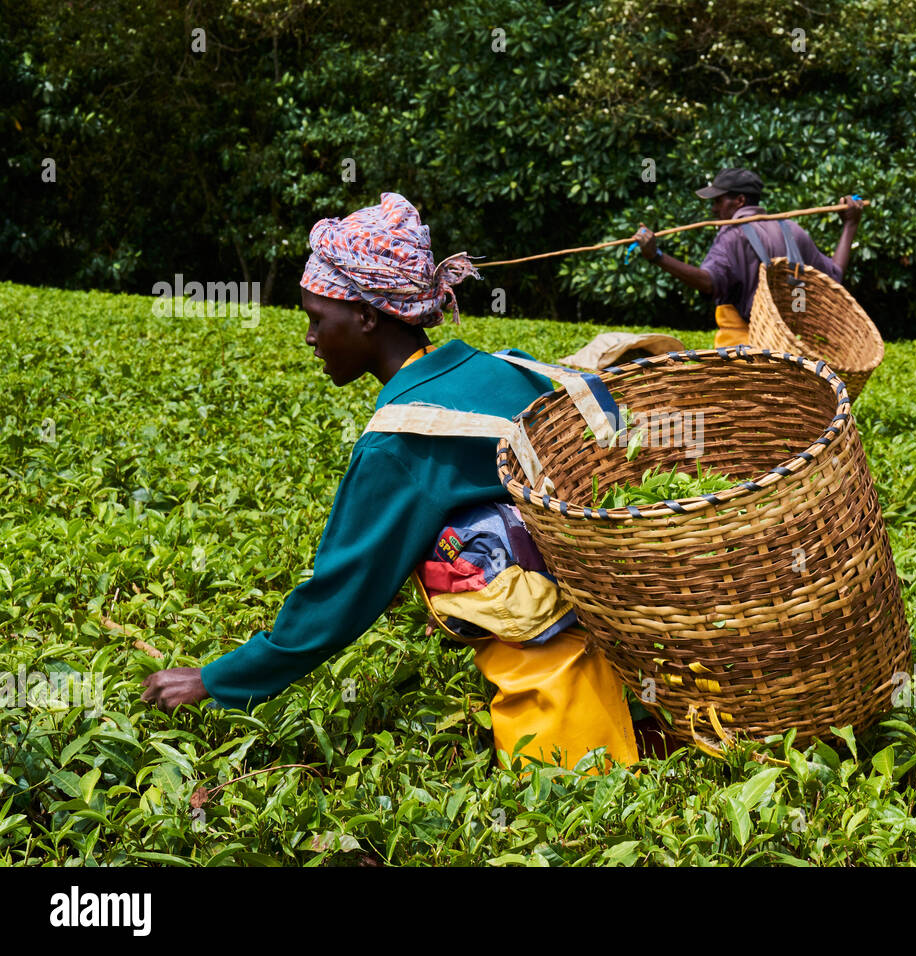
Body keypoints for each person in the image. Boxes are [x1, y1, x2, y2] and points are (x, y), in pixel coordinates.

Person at [141, 192, 638, 769]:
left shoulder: (400, 438)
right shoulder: (503, 365)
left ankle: (570, 754)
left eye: (314, 318)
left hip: (561, 645)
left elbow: (343, 589)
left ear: (367, 316)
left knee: (469, 549)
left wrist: (217, 680)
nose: (309, 338)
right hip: (624, 603)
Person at [630, 167, 866, 347]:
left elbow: (709, 282)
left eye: (718, 201)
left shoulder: (732, 235)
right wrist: (850, 225)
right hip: (788, 353)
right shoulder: (793, 231)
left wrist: (657, 256)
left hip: (744, 358)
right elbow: (834, 277)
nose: (714, 209)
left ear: (740, 200)